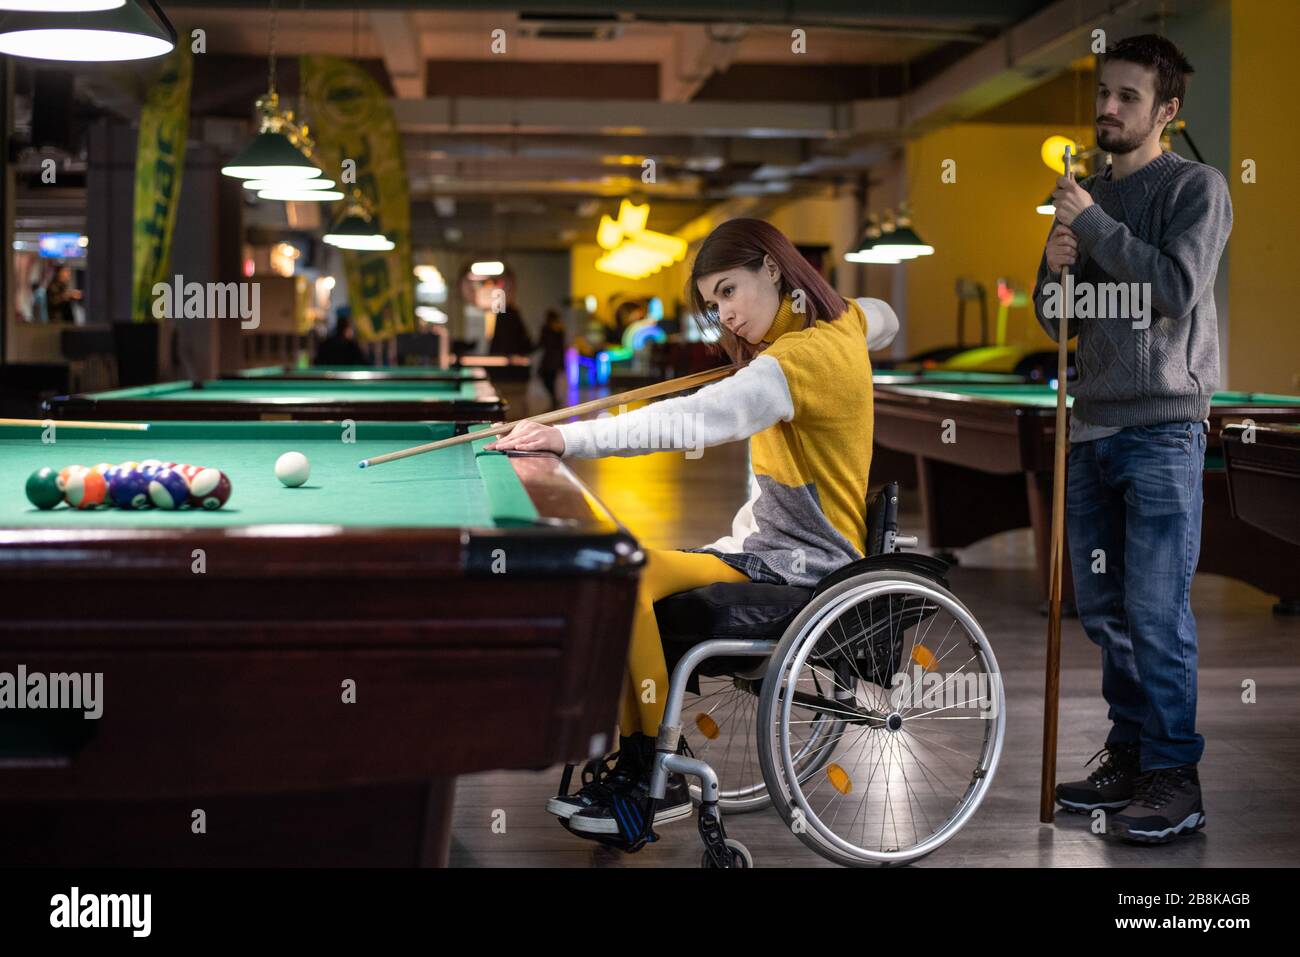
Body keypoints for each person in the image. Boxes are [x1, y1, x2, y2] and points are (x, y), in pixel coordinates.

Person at [487, 218, 899, 846]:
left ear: (771, 266)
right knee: (621, 573)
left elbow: (685, 422)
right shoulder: (842, 327)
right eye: (714, 305)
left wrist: (566, 437)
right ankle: (634, 760)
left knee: (626, 576)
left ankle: (651, 771)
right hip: (763, 554)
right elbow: (884, 314)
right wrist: (848, 311)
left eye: (730, 291)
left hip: (804, 569)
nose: (725, 315)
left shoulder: (792, 364)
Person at [1032, 35, 1231, 844]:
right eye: (1103, 95)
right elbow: (1058, 323)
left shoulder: (1197, 187)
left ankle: (1175, 776)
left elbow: (1175, 293)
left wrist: (1093, 225)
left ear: (1167, 112)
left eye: (1128, 98)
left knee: (1155, 610)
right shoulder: (1081, 199)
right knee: (1107, 609)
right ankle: (1129, 749)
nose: (1108, 109)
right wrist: (1053, 267)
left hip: (1163, 431)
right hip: (1091, 429)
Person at [536, 308, 567, 409]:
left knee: (548, 380)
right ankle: (554, 399)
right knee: (550, 381)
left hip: (549, 360)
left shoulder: (547, 329)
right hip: (554, 360)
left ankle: (554, 399)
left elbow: (541, 343)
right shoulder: (559, 329)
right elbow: (562, 347)